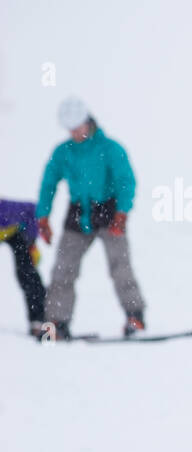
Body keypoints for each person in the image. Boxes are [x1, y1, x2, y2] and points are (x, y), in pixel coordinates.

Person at [35, 96, 147, 340]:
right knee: (63, 271)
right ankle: (56, 322)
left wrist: (122, 213)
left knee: (120, 267)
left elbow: (126, 181)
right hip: (77, 214)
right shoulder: (63, 152)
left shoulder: (110, 148)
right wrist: (43, 216)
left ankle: (134, 315)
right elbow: (49, 184)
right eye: (71, 129)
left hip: (110, 213)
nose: (75, 133)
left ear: (88, 122)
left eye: (78, 127)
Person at [0, 198, 47, 338]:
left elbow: (31, 210)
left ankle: (40, 320)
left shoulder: (6, 211)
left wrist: (31, 241)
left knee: (27, 274)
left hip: (19, 232)